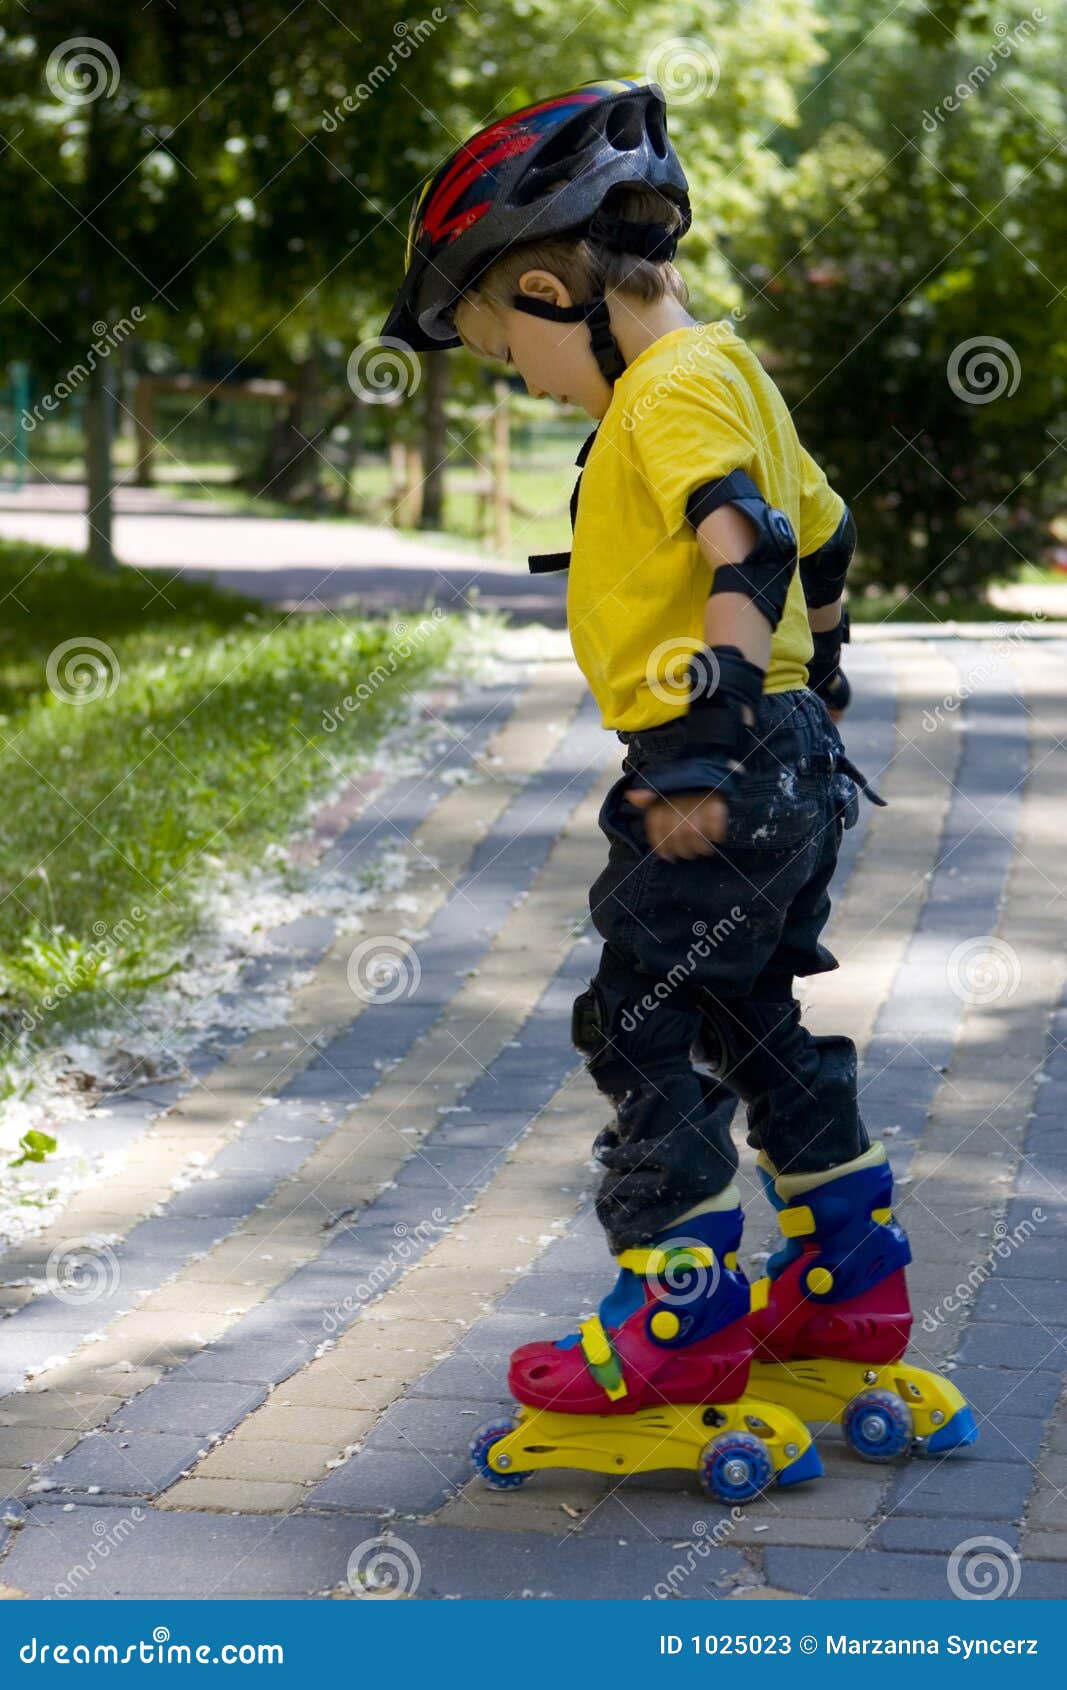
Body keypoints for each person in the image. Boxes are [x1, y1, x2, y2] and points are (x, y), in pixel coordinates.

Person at [380, 78, 977, 1480]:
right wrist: (810, 694)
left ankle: (682, 1314)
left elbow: (748, 545)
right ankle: (847, 1288)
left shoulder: (661, 396)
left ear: (550, 284)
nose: (517, 375)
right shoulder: (734, 371)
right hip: (793, 764)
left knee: (633, 1018)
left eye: (498, 340)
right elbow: (821, 544)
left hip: (712, 762)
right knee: (750, 1014)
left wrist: (707, 740)